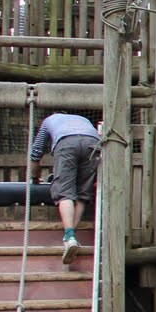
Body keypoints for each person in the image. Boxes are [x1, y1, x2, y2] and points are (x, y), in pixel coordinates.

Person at [30, 112, 100, 263]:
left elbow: (36, 152)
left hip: (67, 142)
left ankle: (70, 236)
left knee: (64, 192)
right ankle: (70, 237)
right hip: (93, 142)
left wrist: (34, 178)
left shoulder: (48, 121)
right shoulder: (83, 119)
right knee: (83, 193)